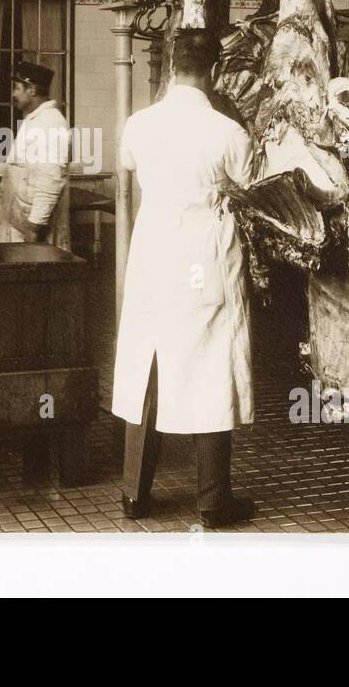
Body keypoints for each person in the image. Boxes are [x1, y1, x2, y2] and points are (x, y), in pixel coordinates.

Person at [112, 29, 256, 529]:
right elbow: (251, 181)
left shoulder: (139, 124)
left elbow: (129, 165)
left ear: (171, 67)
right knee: (208, 370)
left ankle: (134, 494)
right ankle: (214, 502)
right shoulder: (226, 131)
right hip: (202, 256)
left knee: (146, 367)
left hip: (153, 254)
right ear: (214, 72)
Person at [0, 60, 71, 249]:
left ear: (32, 90)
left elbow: (51, 178)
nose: (13, 94)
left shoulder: (51, 123)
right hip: (20, 218)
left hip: (32, 226)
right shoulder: (35, 119)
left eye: (17, 88)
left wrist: (35, 226)